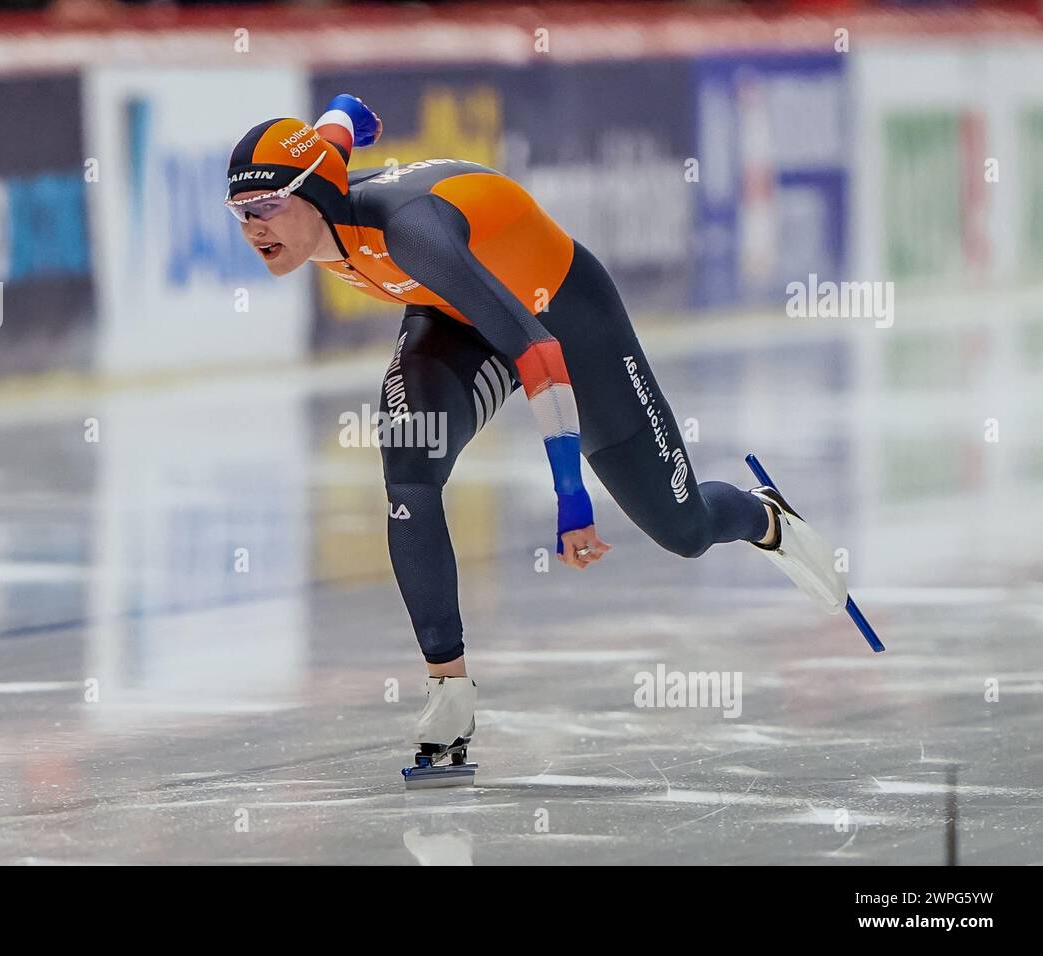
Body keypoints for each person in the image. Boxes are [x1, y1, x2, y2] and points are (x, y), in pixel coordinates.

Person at [223, 94, 847, 782]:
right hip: (450, 315)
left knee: (684, 528)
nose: (252, 229)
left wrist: (571, 498)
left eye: (265, 209)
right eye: (240, 215)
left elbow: (539, 353)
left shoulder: (410, 232)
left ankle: (764, 517)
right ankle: (448, 691)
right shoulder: (319, 187)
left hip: (560, 315)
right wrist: (345, 114)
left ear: (314, 196)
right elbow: (333, 134)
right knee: (408, 466)